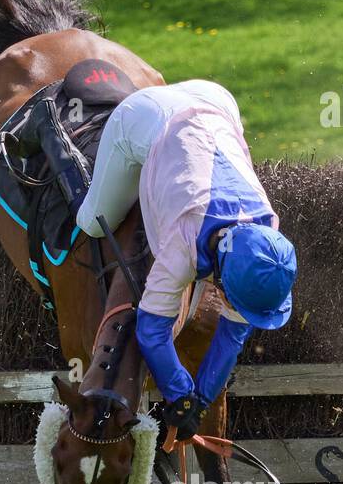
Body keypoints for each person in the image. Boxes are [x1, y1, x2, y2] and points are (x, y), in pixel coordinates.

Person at [72, 79, 296, 440]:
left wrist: (199, 402)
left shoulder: (265, 240)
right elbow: (151, 329)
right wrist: (179, 394)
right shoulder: (184, 243)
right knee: (93, 223)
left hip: (215, 97)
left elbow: (232, 335)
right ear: (221, 277)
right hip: (142, 116)